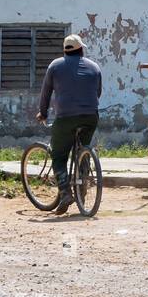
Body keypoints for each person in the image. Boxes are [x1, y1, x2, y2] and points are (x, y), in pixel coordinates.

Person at [36, 33, 103, 215]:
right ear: (81, 49)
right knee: (84, 147)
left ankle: (65, 193)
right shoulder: (94, 66)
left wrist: (43, 112)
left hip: (65, 117)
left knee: (58, 155)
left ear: (65, 51)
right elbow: (98, 92)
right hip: (90, 116)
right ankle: (83, 183)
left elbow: (46, 92)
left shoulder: (55, 66)